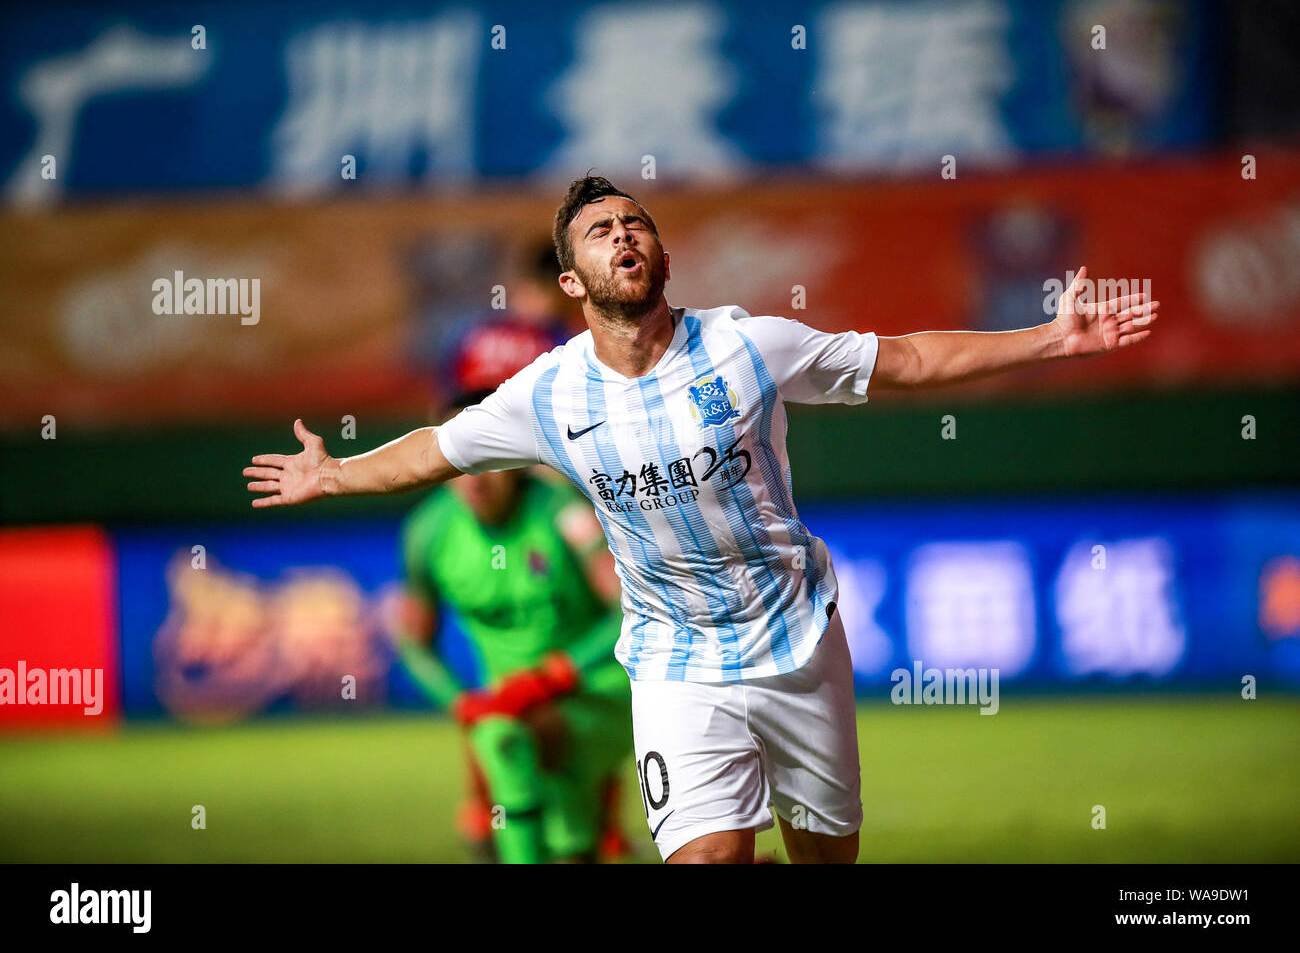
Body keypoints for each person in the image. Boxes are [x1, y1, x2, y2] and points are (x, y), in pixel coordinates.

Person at [245, 176, 1159, 864]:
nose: (623, 235)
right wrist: (335, 475)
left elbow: (907, 360)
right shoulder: (550, 394)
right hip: (677, 664)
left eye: (635, 223)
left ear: (663, 256)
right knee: (710, 857)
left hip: (799, 642)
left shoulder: (746, 346)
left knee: (824, 856)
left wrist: (1052, 338)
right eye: (600, 231)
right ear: (573, 277)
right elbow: (437, 449)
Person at [391, 389, 633, 864]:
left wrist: (559, 673)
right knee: (505, 740)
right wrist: (460, 701)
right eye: (454, 457)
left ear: (517, 455)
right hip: (507, 710)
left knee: (520, 738)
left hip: (597, 691)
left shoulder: (565, 515)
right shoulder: (428, 532)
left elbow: (629, 609)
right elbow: (414, 641)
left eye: (484, 457)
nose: (471, 478)